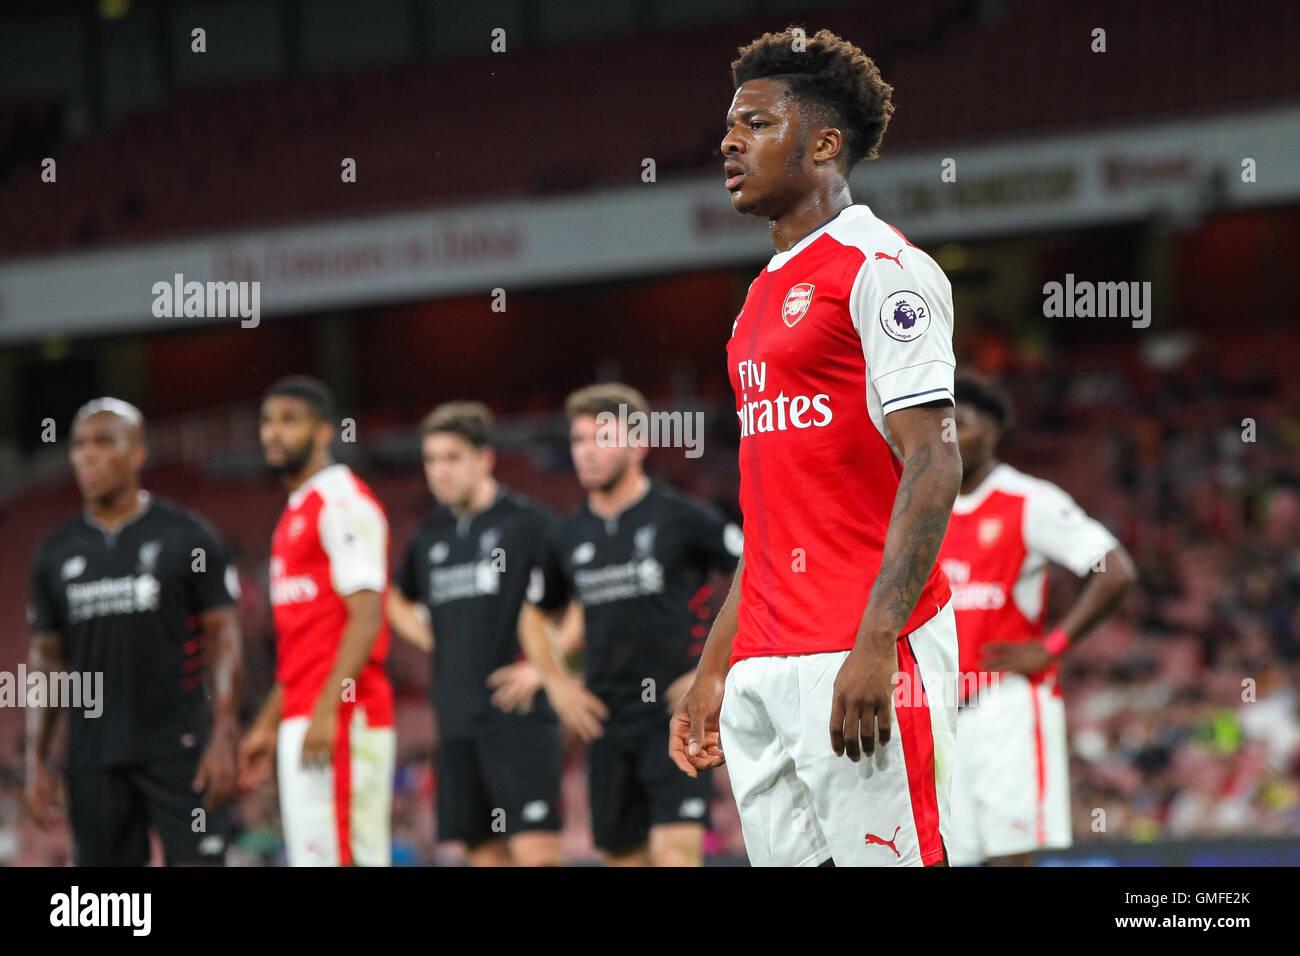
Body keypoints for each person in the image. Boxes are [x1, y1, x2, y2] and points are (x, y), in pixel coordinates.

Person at [671, 27, 962, 867]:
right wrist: (714, 665)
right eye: (731, 125)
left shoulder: (883, 268)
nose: (729, 141)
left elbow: (934, 460)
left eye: (756, 124)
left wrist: (878, 643)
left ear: (825, 142)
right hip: (765, 655)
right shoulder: (756, 300)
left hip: (856, 646)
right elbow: (771, 517)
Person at [523, 383, 742, 866]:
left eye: (601, 437)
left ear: (639, 444)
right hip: (605, 720)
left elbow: (756, 571)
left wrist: (712, 671)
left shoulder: (684, 518)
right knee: (623, 858)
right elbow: (534, 614)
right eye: (578, 440)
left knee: (675, 853)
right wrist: (557, 684)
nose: (586, 452)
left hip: (676, 712)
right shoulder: (566, 535)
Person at [26, 397, 242, 865]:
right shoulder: (54, 555)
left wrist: (225, 735)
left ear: (138, 452)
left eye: (104, 442)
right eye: (80, 445)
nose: (88, 455)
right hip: (93, 760)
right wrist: (36, 756)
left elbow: (223, 636)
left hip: (183, 750)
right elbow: (46, 658)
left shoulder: (187, 536)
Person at [939, 376, 1137, 866]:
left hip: (1005, 702)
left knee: (1010, 854)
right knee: (954, 854)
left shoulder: (1030, 499)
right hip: (939, 705)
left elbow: (1115, 571)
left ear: (993, 432)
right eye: (942, 424)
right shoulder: (925, 504)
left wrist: (1052, 646)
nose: (948, 435)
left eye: (961, 424)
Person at [388, 401, 565, 865]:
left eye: (451, 458)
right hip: (456, 716)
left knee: (537, 852)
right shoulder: (429, 538)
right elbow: (396, 599)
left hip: (518, 717)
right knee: (482, 854)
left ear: (484, 458)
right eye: (430, 460)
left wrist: (544, 669)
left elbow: (582, 597)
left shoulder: (529, 524)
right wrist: (437, 637)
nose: (439, 471)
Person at [238, 376, 395, 866]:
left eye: (289, 420)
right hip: (306, 715)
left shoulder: (343, 504)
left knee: (349, 858)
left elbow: (367, 619)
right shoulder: (294, 514)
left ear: (325, 431)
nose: (273, 433)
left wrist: (328, 711)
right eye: (266, 421)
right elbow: (305, 645)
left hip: (345, 715)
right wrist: (267, 723)